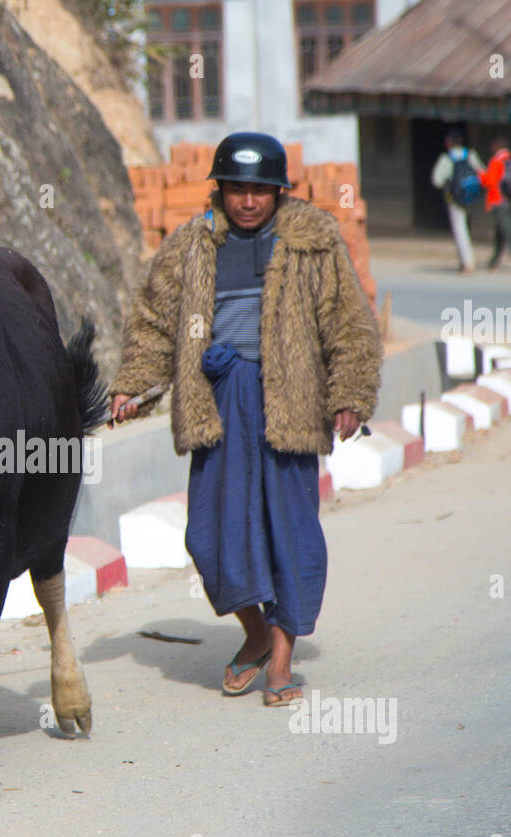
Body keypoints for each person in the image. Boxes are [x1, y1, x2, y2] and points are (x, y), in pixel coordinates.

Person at [109, 132, 382, 707]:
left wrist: (350, 392)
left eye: (261, 190)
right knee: (208, 536)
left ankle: (282, 656)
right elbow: (156, 321)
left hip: (292, 400)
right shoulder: (192, 246)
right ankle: (256, 633)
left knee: (290, 534)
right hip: (219, 402)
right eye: (238, 189)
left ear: (280, 191)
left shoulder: (315, 241)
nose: (250, 201)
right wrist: (134, 386)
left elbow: (348, 322)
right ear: (221, 190)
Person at [430, 129, 486, 275]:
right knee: (467, 227)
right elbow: (482, 173)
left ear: (448, 143)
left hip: (455, 199)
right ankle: (467, 261)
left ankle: (467, 263)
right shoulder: (470, 155)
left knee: (460, 230)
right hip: (472, 197)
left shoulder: (447, 158)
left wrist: (450, 185)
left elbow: (437, 180)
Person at [479, 134, 511, 272]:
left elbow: (490, 182)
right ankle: (494, 262)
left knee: (507, 231)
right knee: (500, 231)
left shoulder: (496, 162)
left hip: (499, 201)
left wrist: (481, 175)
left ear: (496, 146)